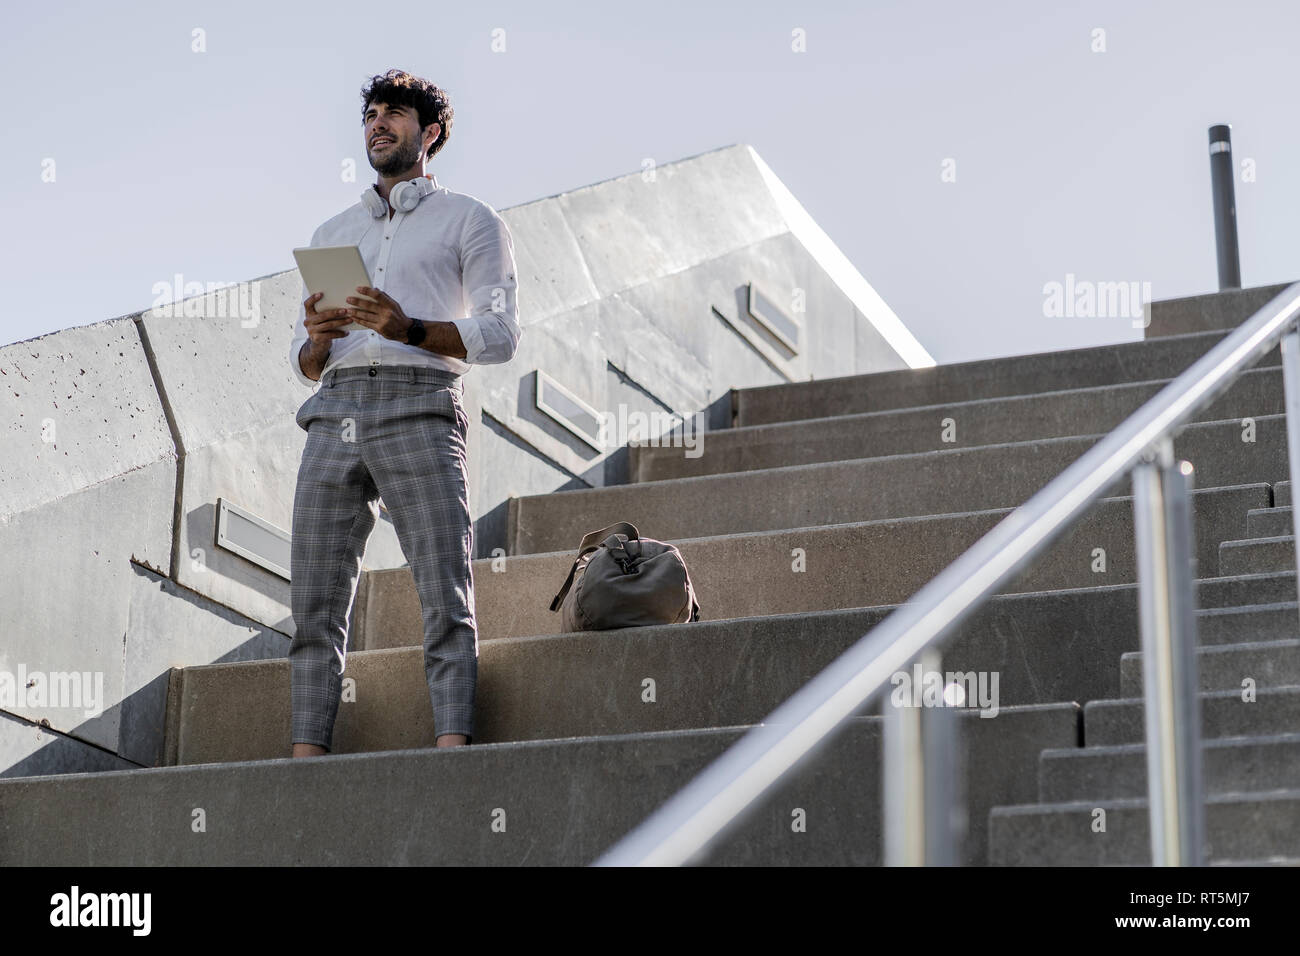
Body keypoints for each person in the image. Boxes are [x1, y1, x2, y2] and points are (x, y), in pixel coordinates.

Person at [287, 69, 520, 757]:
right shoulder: (334, 231)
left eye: (394, 113)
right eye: (371, 114)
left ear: (431, 132)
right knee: (314, 603)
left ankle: (451, 746)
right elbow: (302, 362)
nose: (378, 123)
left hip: (420, 405)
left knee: (444, 588)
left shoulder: (472, 220)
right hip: (334, 412)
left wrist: (407, 327)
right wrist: (318, 341)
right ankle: (304, 755)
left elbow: (501, 336)